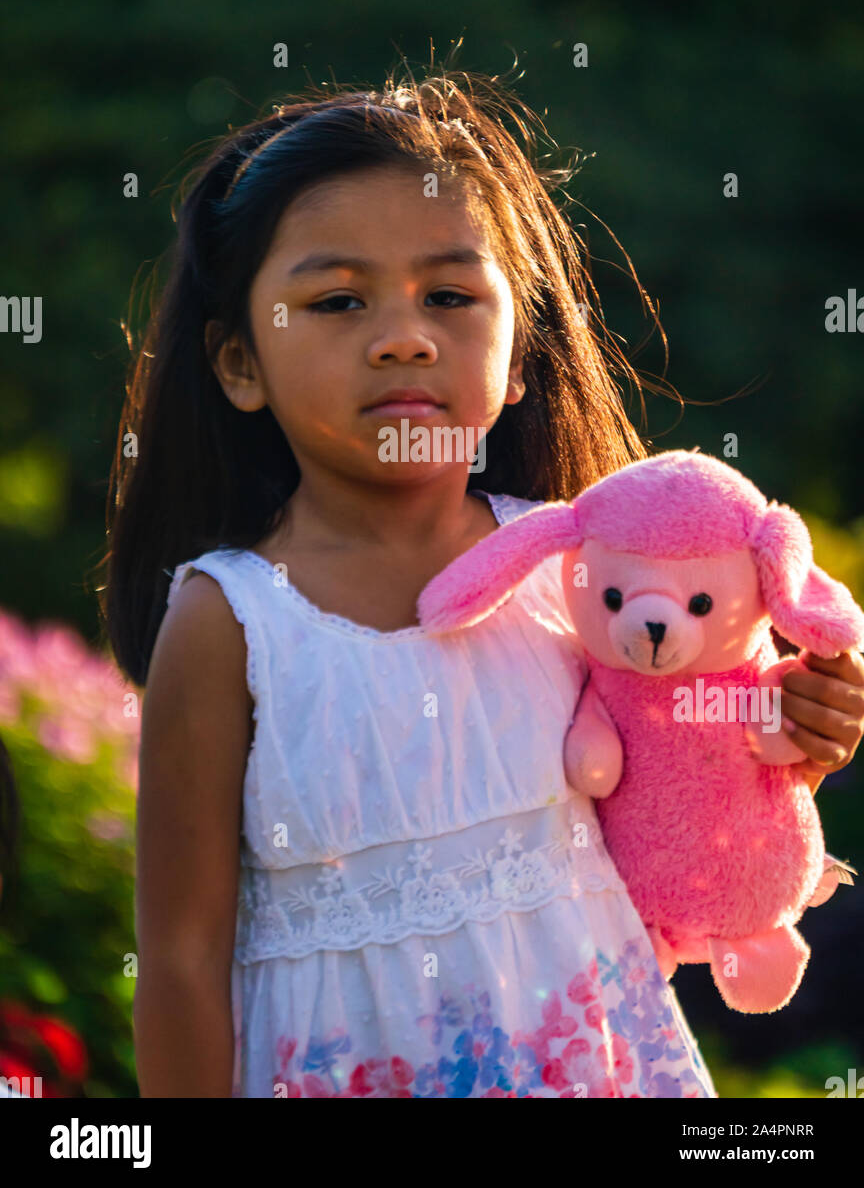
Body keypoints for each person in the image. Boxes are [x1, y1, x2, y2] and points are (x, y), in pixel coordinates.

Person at [101, 68, 864, 1098]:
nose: (406, 334)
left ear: (515, 362)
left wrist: (805, 722)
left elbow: (695, 763)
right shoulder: (233, 621)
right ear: (241, 363)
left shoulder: (580, 580)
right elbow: (183, 961)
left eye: (451, 295)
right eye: (337, 299)